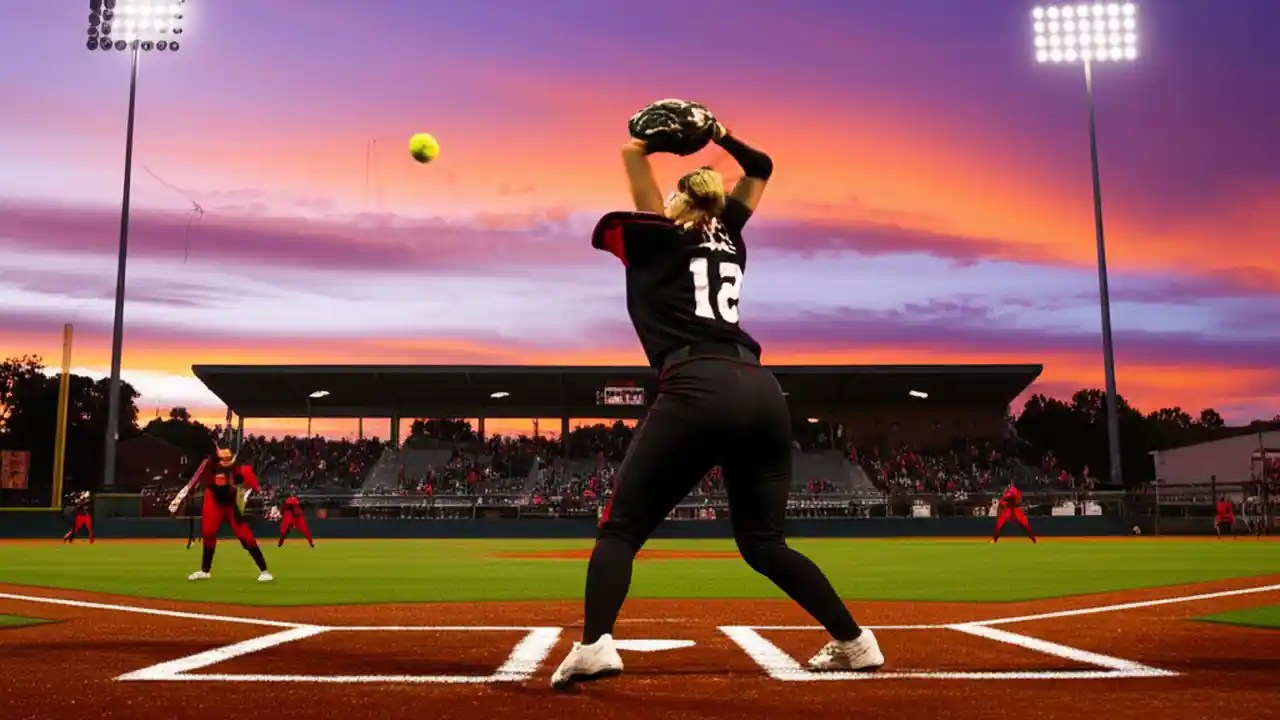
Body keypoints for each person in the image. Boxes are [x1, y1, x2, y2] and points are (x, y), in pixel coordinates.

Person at [550, 120, 881, 690]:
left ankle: (594, 644)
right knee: (764, 543)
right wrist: (717, 131)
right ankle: (855, 641)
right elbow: (762, 168)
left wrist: (643, 145)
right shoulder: (732, 234)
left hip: (697, 381)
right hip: (759, 387)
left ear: (681, 201)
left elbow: (636, 182)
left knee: (620, 530)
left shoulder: (657, 234)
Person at [186, 448, 272, 582]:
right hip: (214, 503)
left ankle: (264, 570)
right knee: (208, 533)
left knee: (246, 536)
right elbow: (202, 482)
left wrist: (256, 488)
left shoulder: (238, 469)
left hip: (230, 506)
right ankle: (205, 570)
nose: (226, 463)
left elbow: (249, 478)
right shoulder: (209, 469)